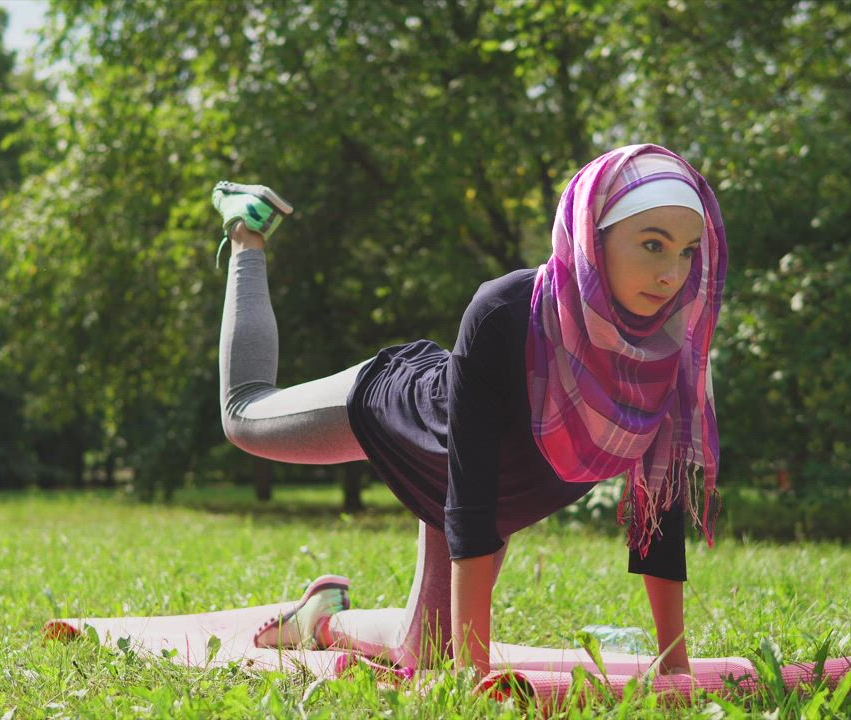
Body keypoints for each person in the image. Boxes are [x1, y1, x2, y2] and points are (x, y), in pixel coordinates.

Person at [211, 143, 726, 678]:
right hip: (409, 418)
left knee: (424, 652)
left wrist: (675, 666)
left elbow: (656, 513)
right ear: (592, 239)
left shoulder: (669, 353)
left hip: (479, 494)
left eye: (688, 251)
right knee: (243, 416)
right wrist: (474, 678)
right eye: (652, 244)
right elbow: (472, 503)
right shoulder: (504, 309)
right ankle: (247, 232)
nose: (672, 275)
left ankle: (322, 619)